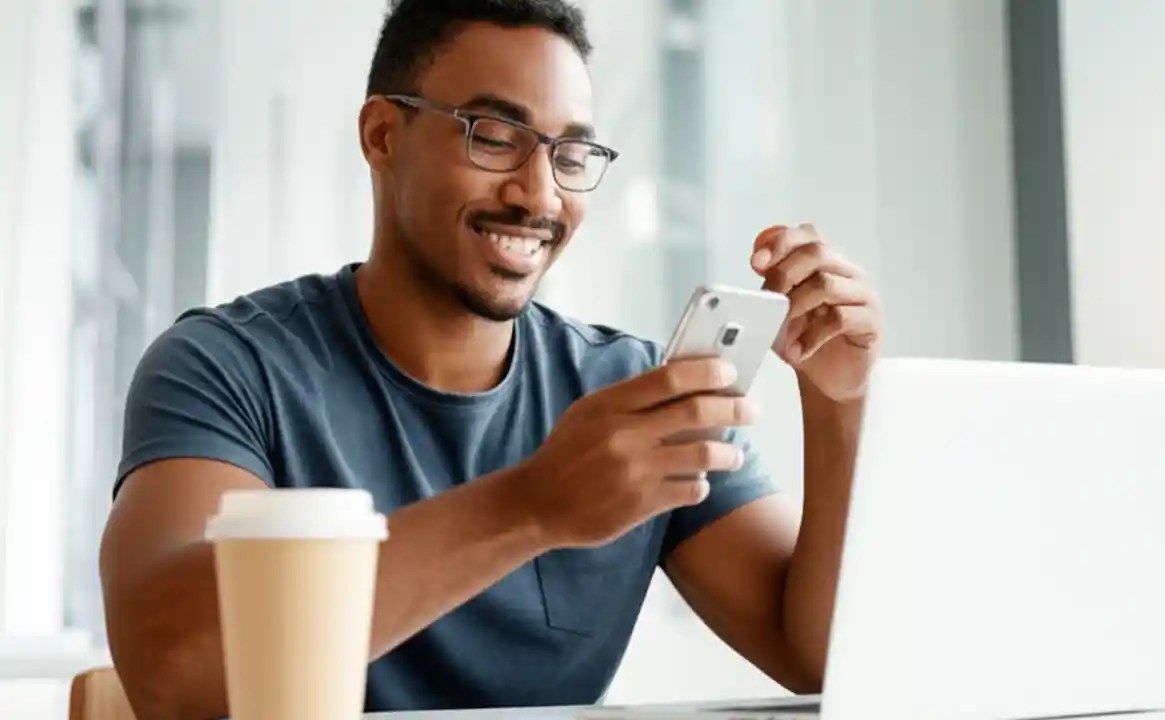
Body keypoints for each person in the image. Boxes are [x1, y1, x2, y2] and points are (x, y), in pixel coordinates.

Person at [99, 0, 884, 717]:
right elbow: (173, 674)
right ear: (382, 135)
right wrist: (532, 506)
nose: (538, 195)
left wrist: (839, 404)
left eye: (570, 154)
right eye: (495, 137)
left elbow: (816, 655)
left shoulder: (633, 395)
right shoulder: (224, 368)